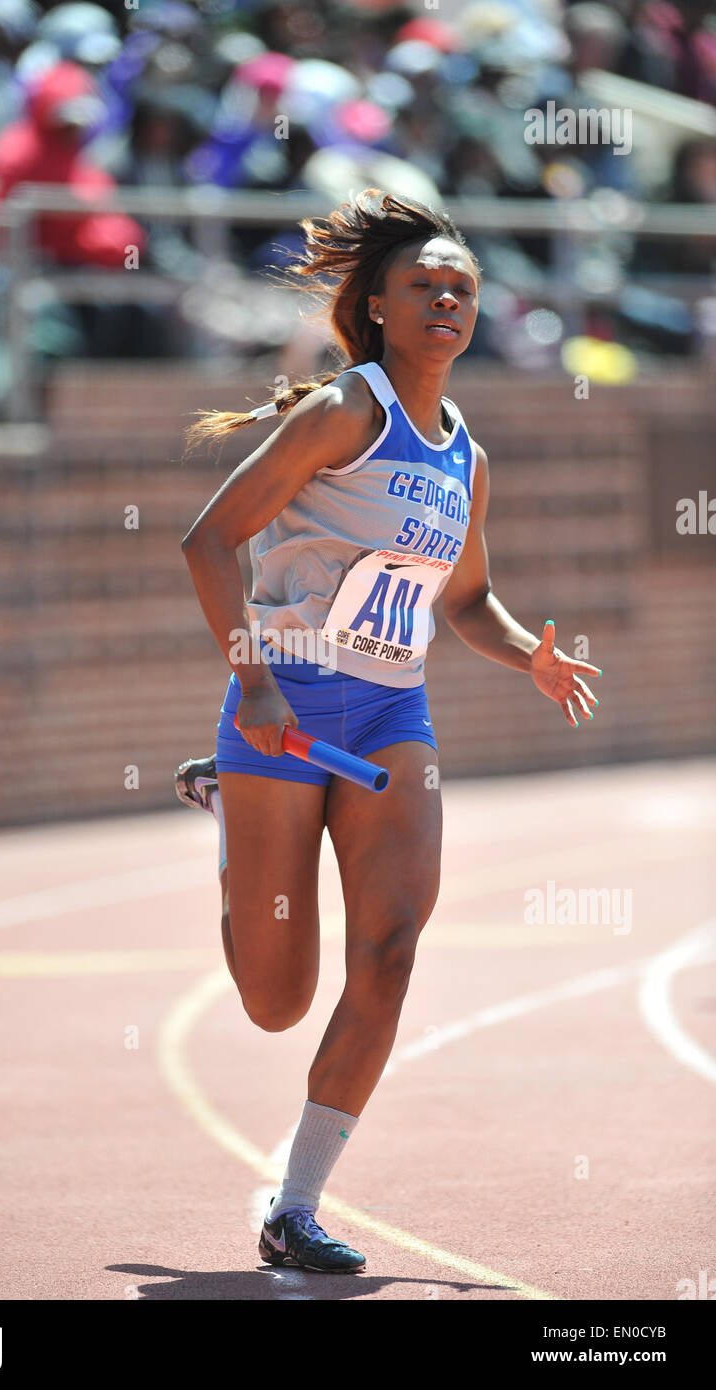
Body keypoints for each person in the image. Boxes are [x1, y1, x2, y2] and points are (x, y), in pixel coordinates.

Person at [175, 189, 601, 1274]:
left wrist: (530, 656)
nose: (446, 297)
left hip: (389, 709)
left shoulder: (467, 454)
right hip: (286, 701)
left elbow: (466, 601)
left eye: (461, 284)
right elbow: (207, 540)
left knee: (393, 948)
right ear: (372, 307)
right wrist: (255, 685)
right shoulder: (344, 414)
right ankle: (228, 812)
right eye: (422, 283)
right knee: (275, 1001)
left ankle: (295, 1204)